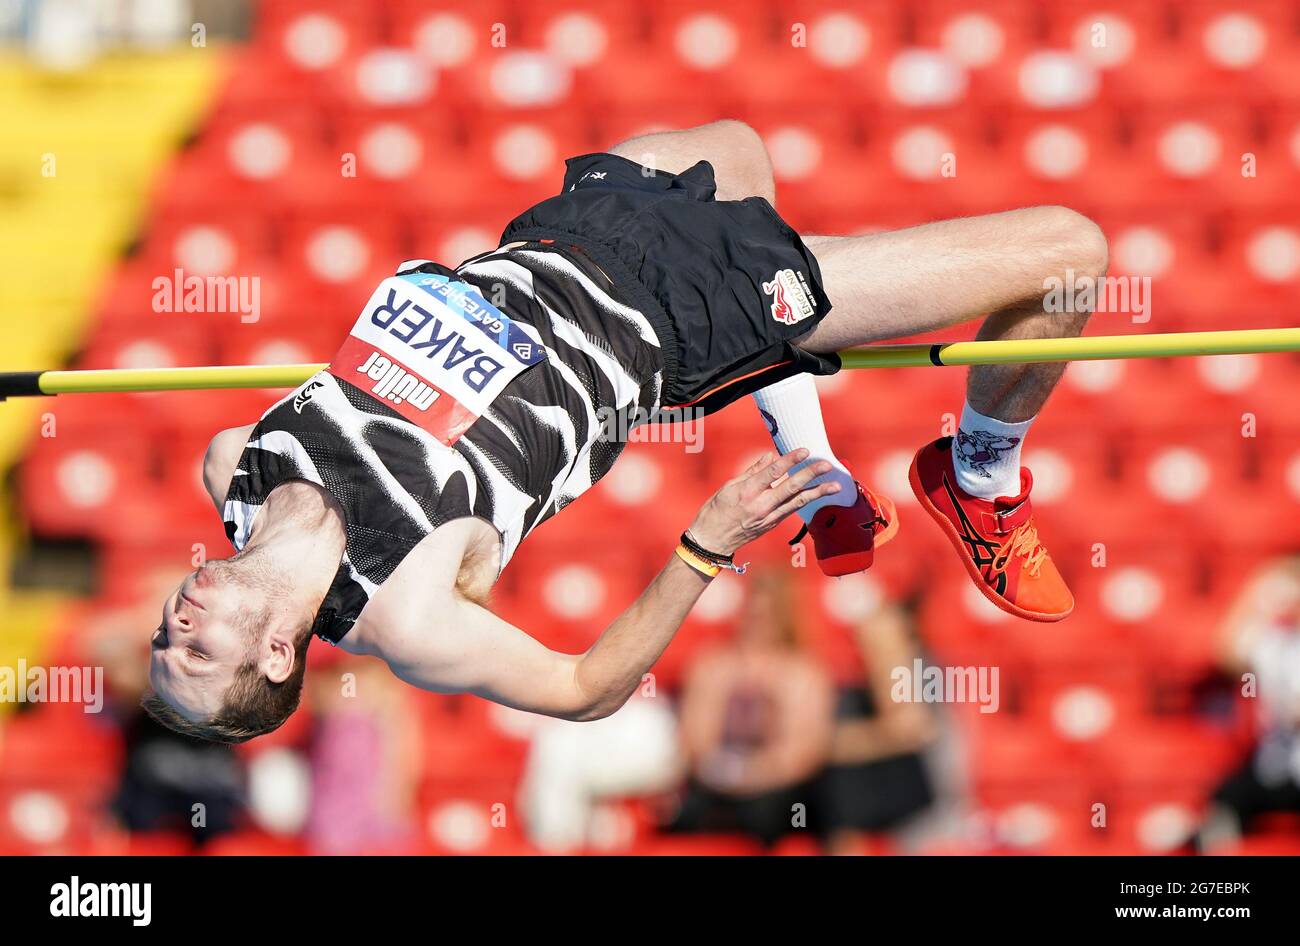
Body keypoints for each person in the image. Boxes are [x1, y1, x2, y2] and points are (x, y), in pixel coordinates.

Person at [143, 119, 1106, 742]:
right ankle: (980, 481)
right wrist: (705, 545)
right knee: (1069, 254)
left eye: (162, 639)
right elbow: (583, 688)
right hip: (679, 310)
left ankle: (811, 458)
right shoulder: (407, 616)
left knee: (737, 151)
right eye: (195, 654)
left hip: (556, 237)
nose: (173, 625)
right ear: (277, 656)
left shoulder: (235, 469)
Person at [668, 571, 835, 848]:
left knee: (771, 814)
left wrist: (753, 774)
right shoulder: (713, 664)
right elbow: (695, 739)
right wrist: (723, 771)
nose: (759, 624)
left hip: (777, 790)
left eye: (768, 615)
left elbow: (805, 751)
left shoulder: (803, 672)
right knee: (689, 816)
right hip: (717, 783)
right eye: (753, 613)